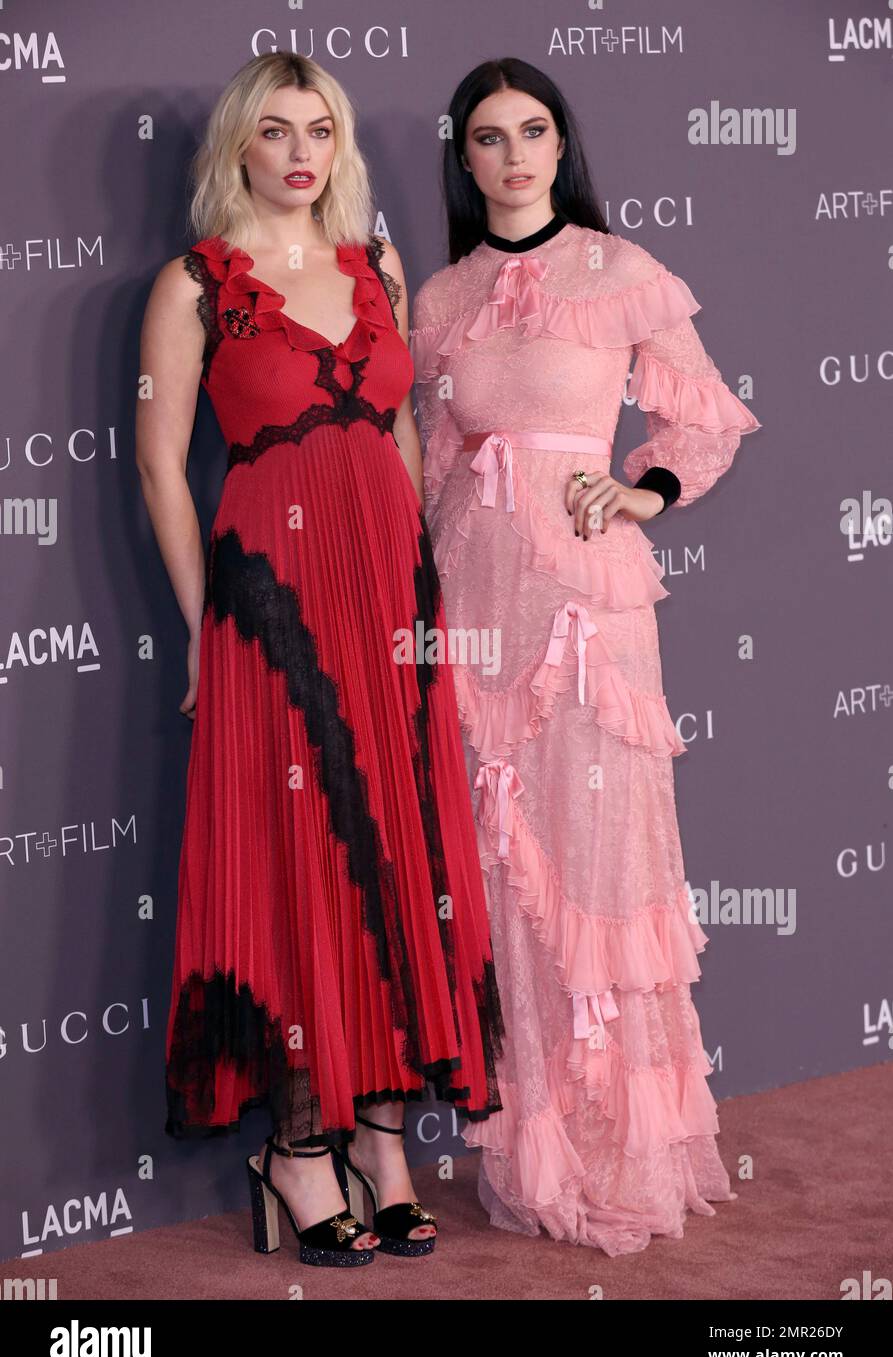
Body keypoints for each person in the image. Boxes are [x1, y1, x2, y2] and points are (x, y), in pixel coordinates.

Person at [135, 51, 504, 1268]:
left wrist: (419, 600)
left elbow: (396, 428)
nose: (303, 152)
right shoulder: (194, 286)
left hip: (386, 593)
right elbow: (161, 466)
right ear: (237, 145)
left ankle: (384, 1144)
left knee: (402, 851)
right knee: (302, 860)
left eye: (323, 131)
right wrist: (204, 628)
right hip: (271, 603)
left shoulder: (375, 267)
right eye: (278, 130)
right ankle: (295, 1149)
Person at [410, 57, 760, 1256]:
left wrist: (641, 489)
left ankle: (619, 1144)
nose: (514, 155)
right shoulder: (440, 299)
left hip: (585, 605)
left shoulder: (621, 274)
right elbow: (427, 462)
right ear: (463, 158)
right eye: (490, 138)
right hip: (472, 602)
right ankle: (531, 1134)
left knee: (597, 862)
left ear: (562, 148)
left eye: (535, 132)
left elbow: (701, 415)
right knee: (499, 865)